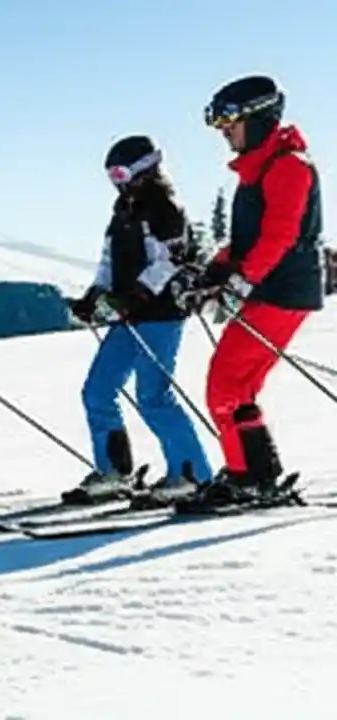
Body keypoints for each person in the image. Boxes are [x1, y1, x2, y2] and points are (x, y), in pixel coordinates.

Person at [181, 75, 324, 506]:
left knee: (226, 382)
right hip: (272, 288)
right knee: (236, 385)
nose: (224, 130)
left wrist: (240, 282)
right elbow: (248, 241)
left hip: (283, 290)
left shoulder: (290, 167)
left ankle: (250, 478)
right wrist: (214, 271)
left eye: (230, 121)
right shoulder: (261, 169)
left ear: (259, 118)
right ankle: (254, 474)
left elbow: (279, 235)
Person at [64, 136, 213, 506]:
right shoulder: (122, 212)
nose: (117, 181)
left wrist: (139, 294)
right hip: (127, 316)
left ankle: (191, 473)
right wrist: (94, 296)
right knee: (97, 390)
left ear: (147, 169)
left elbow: (170, 260)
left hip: (160, 314)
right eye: (111, 175)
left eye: (122, 172)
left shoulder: (166, 208)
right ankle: (115, 471)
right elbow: (108, 263)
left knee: (153, 395)